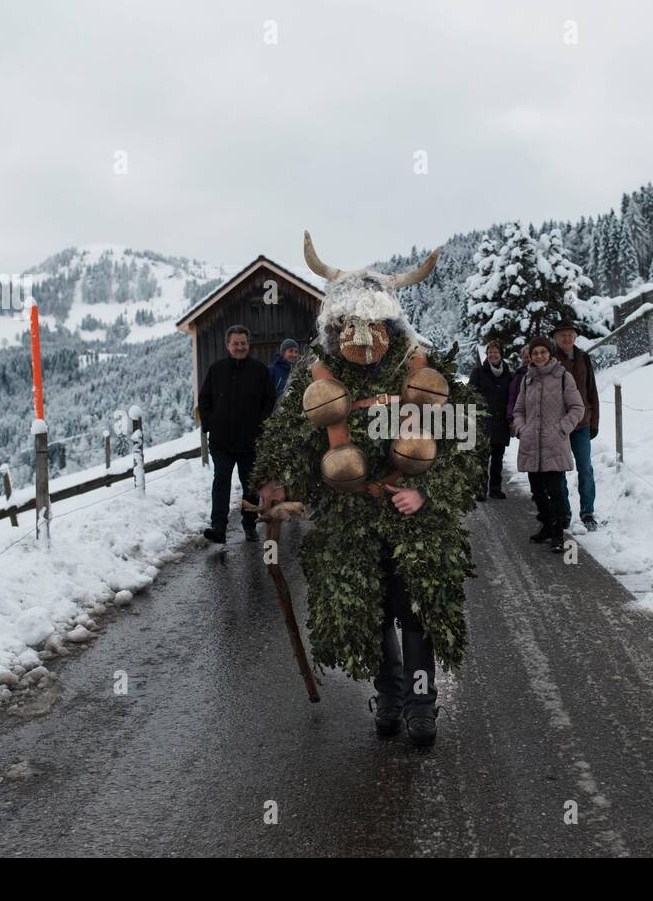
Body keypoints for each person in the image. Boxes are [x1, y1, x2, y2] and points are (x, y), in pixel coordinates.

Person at [252, 232, 483, 748]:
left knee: (419, 606)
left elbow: (469, 443)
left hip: (415, 518)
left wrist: (427, 495)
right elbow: (286, 443)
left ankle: (423, 704)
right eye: (348, 324)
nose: (361, 335)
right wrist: (275, 480)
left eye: (372, 323)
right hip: (349, 519)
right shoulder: (318, 378)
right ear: (334, 325)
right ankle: (392, 695)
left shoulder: (422, 371)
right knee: (370, 608)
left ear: (389, 323)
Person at [198, 324, 276, 544]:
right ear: (227, 345)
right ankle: (219, 527)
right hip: (221, 440)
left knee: (249, 484)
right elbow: (204, 399)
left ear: (248, 345)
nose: (240, 347)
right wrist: (210, 423)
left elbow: (269, 400)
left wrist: (261, 424)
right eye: (235, 344)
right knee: (221, 480)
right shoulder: (216, 370)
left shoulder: (260, 371)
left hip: (250, 441)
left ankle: (249, 524)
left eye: (243, 343)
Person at [512, 336, 584, 553]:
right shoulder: (528, 379)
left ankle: (558, 532)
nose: (539, 356)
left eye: (543, 352)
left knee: (556, 490)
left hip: (554, 444)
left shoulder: (563, 377)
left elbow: (577, 408)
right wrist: (521, 428)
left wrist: (562, 428)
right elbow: (519, 410)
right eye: (535, 353)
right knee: (537, 490)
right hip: (531, 444)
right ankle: (546, 524)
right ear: (530, 357)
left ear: (550, 354)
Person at [550, 318, 600, 531]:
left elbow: (592, 391)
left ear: (575, 337)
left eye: (570, 334)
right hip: (559, 426)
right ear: (555, 338)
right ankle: (564, 513)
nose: (567, 338)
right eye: (562, 335)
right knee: (559, 470)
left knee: (585, 468)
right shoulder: (550, 359)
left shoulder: (583, 358)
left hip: (582, 424)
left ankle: (587, 512)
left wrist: (595, 421)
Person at [468, 340, 513, 500]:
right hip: (483, 422)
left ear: (501, 354)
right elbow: (470, 394)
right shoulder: (478, 372)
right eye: (490, 352)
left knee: (498, 459)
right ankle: (479, 490)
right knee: (481, 458)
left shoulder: (509, 374)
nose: (493, 355)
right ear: (486, 355)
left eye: (496, 352)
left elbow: (512, 398)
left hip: (501, 423)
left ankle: (495, 488)